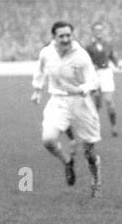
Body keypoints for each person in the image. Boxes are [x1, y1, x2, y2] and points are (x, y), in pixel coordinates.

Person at [31, 21, 102, 197]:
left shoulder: (81, 55)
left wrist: (81, 89)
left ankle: (96, 183)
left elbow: (94, 81)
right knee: (48, 139)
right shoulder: (47, 53)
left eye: (68, 35)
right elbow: (40, 71)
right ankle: (67, 161)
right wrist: (37, 90)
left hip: (81, 103)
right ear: (54, 37)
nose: (65, 39)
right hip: (58, 101)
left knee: (89, 152)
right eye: (61, 36)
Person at [85, 21, 122, 135]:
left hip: (106, 73)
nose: (99, 32)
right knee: (96, 103)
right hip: (94, 74)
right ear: (93, 32)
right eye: (96, 30)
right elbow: (86, 61)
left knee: (109, 101)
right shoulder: (89, 46)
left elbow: (112, 56)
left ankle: (114, 126)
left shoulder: (108, 44)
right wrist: (92, 66)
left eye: (101, 30)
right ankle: (95, 128)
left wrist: (117, 64)